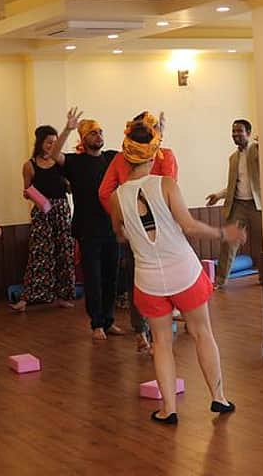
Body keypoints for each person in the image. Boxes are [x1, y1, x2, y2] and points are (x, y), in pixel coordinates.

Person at [108, 117, 244, 424]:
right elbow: (189, 226)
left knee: (161, 344)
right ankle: (219, 398)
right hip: (184, 272)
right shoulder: (166, 184)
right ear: (155, 153)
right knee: (202, 333)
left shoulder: (118, 197)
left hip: (148, 278)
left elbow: (120, 234)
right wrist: (224, 233)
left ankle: (168, 409)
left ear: (126, 156)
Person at [99, 111, 178, 351]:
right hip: (163, 230)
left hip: (134, 229)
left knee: (139, 278)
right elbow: (170, 189)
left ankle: (141, 332)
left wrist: (122, 218)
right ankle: (157, 334)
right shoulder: (165, 156)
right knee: (164, 279)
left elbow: (104, 193)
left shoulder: (121, 159)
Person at [49, 108, 125, 340]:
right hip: (87, 228)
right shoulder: (74, 162)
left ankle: (109, 320)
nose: (98, 136)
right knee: (93, 277)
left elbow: (136, 153)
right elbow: (53, 154)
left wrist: (156, 131)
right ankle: (97, 324)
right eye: (93, 133)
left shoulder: (111, 158)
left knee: (111, 276)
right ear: (83, 139)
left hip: (112, 226)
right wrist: (68, 128)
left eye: (100, 132)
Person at [11, 125, 77, 312]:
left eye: (55, 142)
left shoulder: (61, 163)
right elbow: (26, 191)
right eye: (49, 142)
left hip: (62, 209)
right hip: (42, 211)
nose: (52, 145)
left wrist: (68, 184)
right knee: (39, 252)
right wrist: (36, 197)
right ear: (40, 143)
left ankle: (62, 295)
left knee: (64, 251)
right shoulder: (29, 165)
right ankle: (29, 297)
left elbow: (71, 188)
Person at [206, 119, 263, 289]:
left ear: (248, 133)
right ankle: (220, 281)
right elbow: (232, 185)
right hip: (237, 205)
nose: (236, 135)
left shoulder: (257, 151)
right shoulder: (233, 158)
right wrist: (219, 195)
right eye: (233, 131)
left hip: (257, 205)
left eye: (239, 131)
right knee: (229, 243)